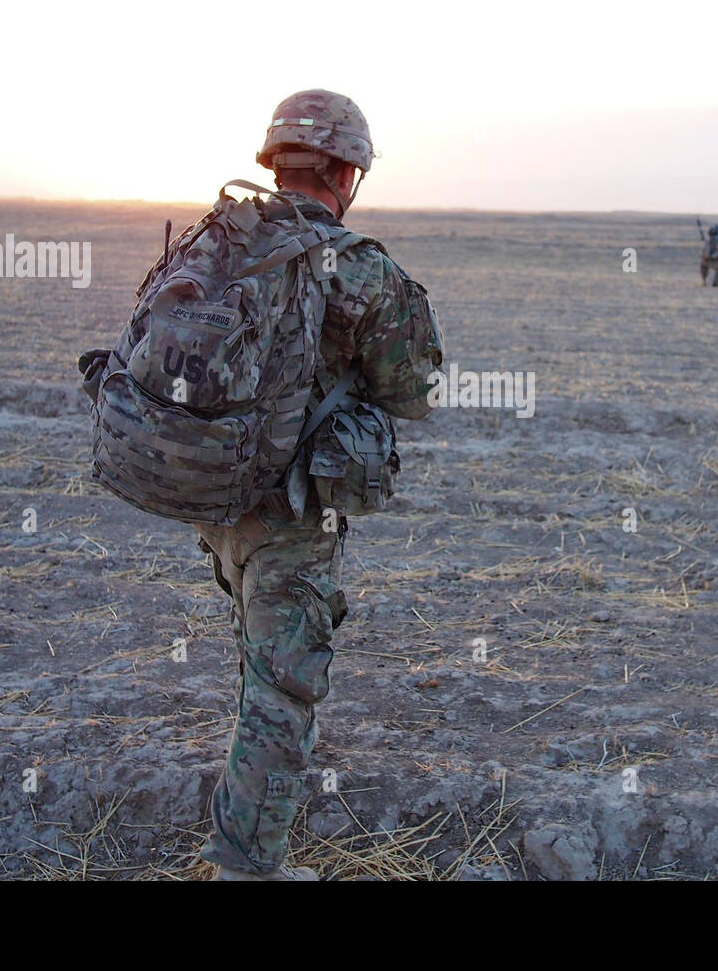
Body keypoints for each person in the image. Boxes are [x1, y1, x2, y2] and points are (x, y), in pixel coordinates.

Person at [189, 89, 444, 880]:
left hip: (215, 495)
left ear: (277, 162)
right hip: (295, 511)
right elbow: (414, 388)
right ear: (344, 170)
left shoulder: (215, 241)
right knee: (284, 685)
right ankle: (247, 867)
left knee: (259, 665)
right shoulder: (360, 266)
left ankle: (240, 839)